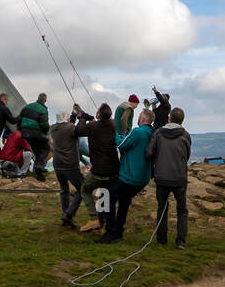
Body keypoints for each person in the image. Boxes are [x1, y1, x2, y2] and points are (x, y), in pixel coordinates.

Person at [99, 108, 154, 244]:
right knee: (124, 201)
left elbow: (121, 146)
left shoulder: (138, 131)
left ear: (142, 119)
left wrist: (116, 134)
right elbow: (130, 144)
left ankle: (110, 232)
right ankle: (118, 231)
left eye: (139, 116)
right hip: (143, 177)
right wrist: (125, 137)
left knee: (107, 195)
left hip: (130, 176)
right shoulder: (151, 132)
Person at [150, 106, 192, 249]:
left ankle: (161, 240)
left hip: (161, 177)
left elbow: (149, 153)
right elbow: (186, 155)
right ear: (182, 121)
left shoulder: (158, 133)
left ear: (169, 118)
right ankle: (181, 241)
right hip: (179, 177)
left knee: (162, 208)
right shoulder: (185, 135)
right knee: (182, 210)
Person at [75, 103, 117, 234]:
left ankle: (94, 219)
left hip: (99, 170)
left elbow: (78, 130)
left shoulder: (93, 126)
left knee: (85, 189)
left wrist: (81, 117)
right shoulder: (113, 125)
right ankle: (102, 225)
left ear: (99, 114)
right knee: (104, 193)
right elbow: (100, 124)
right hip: (114, 170)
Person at [50, 110, 88, 227]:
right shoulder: (70, 128)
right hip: (70, 164)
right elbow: (80, 130)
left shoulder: (53, 128)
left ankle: (65, 214)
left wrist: (73, 115)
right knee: (83, 188)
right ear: (66, 119)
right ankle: (69, 214)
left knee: (64, 189)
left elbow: (68, 125)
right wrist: (81, 117)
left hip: (57, 164)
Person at [18, 92, 52, 181]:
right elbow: (44, 125)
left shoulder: (28, 106)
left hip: (25, 133)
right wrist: (45, 135)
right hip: (35, 133)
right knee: (46, 148)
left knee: (38, 153)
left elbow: (19, 118)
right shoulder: (43, 109)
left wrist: (21, 130)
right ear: (45, 100)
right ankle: (38, 166)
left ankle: (39, 176)